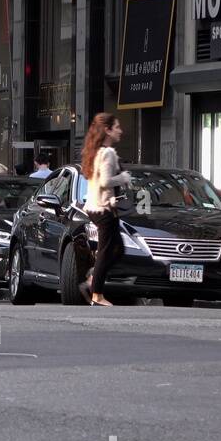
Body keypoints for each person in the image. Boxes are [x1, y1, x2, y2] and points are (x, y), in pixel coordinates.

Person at [80, 113, 131, 307]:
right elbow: (105, 181)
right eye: (117, 127)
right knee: (106, 252)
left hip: (97, 207)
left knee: (117, 251)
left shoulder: (97, 151)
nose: (121, 130)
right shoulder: (108, 153)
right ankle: (97, 294)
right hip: (103, 209)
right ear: (108, 130)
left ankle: (93, 281)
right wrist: (124, 178)